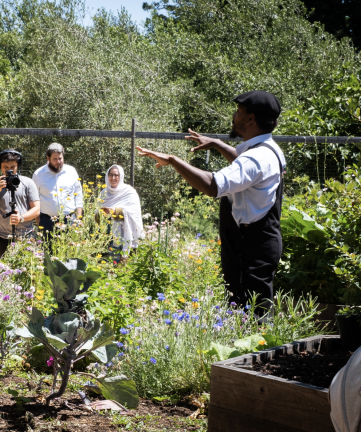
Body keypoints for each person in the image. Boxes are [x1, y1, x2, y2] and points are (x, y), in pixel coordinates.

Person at [137, 90, 285, 316]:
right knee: (247, 314)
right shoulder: (268, 149)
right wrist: (217, 144)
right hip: (257, 242)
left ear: (250, 118)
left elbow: (213, 185)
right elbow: (246, 169)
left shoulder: (256, 158)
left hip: (250, 248)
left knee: (252, 316)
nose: (234, 116)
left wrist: (173, 161)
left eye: (238, 111)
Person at [0, 149, 40, 257]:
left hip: (26, 236)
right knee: (5, 267)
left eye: (13, 167)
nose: (9, 170)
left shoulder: (28, 183)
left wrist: (21, 218)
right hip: (4, 238)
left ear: (18, 166)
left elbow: (36, 210)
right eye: (5, 167)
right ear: (0, 166)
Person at [32, 142, 84, 244]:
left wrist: (78, 219)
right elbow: (34, 198)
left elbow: (78, 194)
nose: (58, 162)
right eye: (55, 159)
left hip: (69, 220)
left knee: (70, 251)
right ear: (48, 158)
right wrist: (39, 222)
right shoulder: (38, 174)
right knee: (48, 251)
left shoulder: (71, 171)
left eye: (60, 158)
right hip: (47, 222)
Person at [98, 164, 144, 255]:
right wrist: (101, 212)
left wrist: (116, 211)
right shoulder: (104, 192)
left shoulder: (129, 192)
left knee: (121, 261)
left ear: (121, 176)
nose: (113, 178)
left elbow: (134, 212)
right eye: (111, 175)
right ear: (107, 176)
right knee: (106, 260)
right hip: (106, 234)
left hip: (123, 233)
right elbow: (97, 212)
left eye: (116, 175)